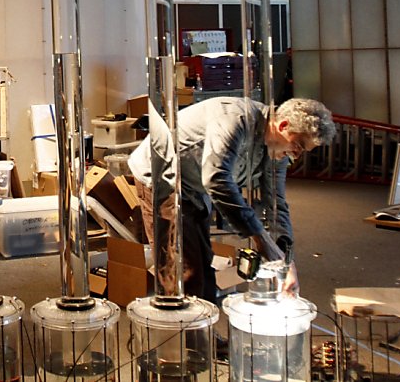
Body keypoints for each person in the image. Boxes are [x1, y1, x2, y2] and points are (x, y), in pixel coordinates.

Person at [128, 96, 335, 302]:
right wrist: (260, 238)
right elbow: (217, 180)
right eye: (298, 145)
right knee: (183, 271)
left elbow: (276, 203)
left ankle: (203, 319)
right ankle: (180, 320)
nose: (296, 156)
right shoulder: (235, 120)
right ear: (282, 126)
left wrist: (287, 261)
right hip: (163, 176)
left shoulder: (278, 151)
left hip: (193, 181)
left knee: (204, 267)